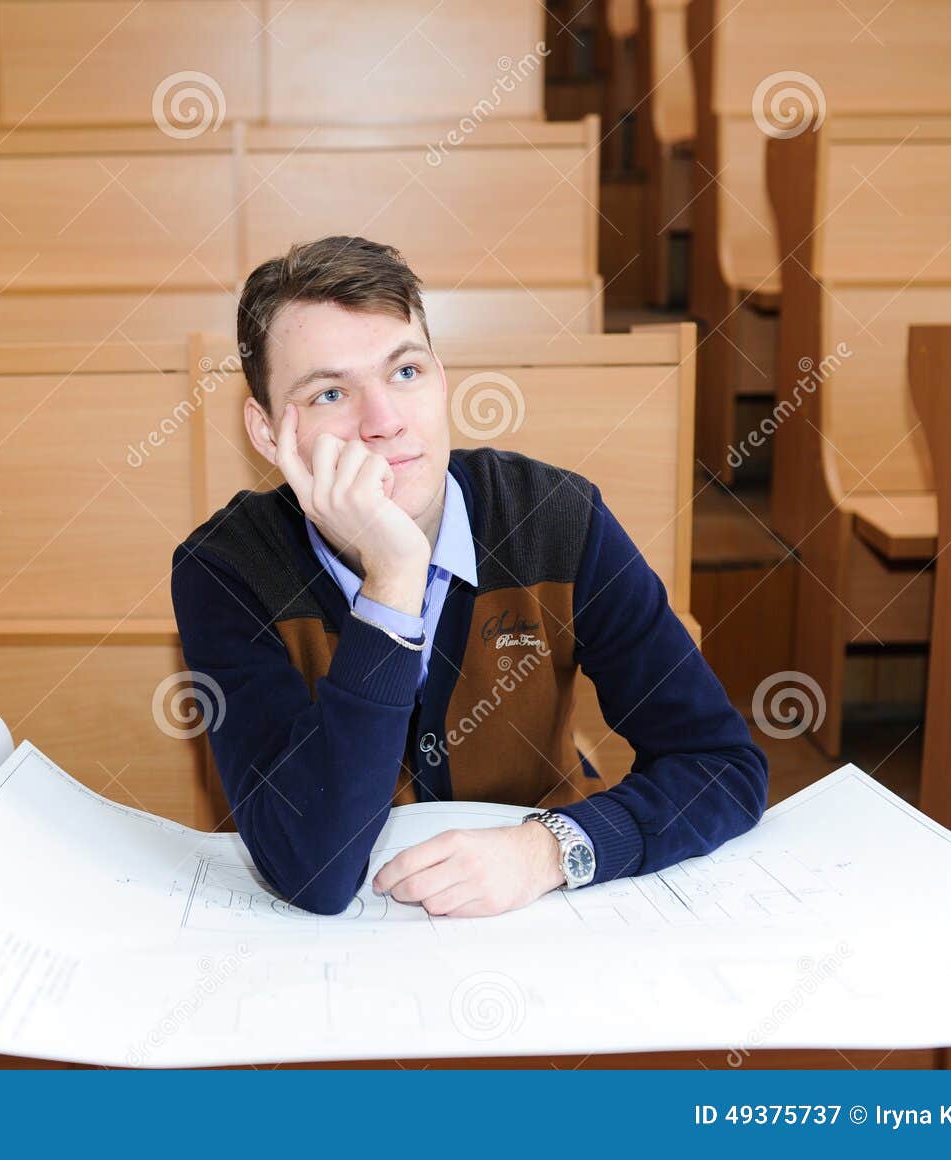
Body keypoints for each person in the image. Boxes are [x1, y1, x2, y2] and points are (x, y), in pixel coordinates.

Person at [171, 236, 767, 917]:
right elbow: (314, 869)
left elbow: (721, 765)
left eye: (405, 373)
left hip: (546, 914)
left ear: (442, 378)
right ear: (269, 433)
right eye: (331, 392)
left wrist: (548, 849)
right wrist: (391, 582)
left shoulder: (557, 520)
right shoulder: (224, 571)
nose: (385, 422)